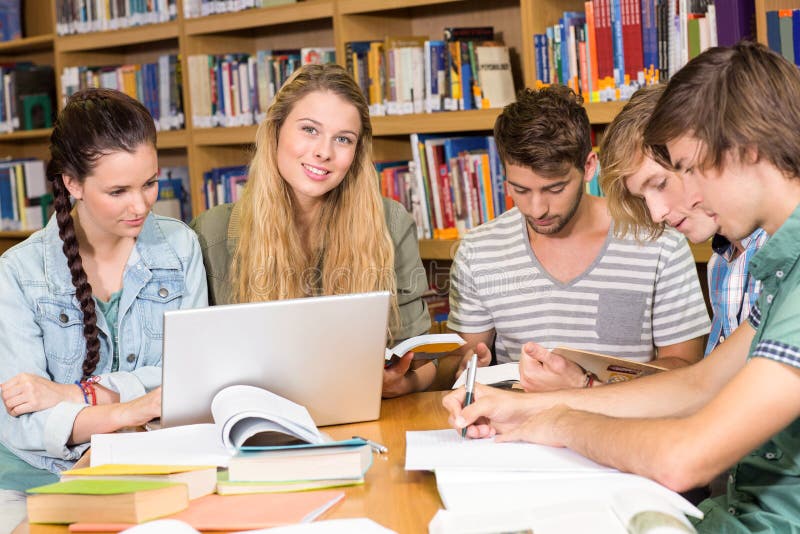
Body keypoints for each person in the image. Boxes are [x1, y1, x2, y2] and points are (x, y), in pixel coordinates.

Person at [444, 41, 800, 532]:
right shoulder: (783, 271)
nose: (681, 200)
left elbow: (683, 458)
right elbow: (699, 384)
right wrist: (521, 407)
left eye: (689, 170)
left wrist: (560, 423)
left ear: (746, 150)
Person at [0, 88, 208, 531]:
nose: (140, 206)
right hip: (34, 480)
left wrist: (74, 394)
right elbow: (23, 421)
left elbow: (188, 380)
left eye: (150, 183)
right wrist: (124, 411)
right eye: (118, 191)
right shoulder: (17, 273)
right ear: (72, 183)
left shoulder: (180, 248)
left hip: (147, 466)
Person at [444, 84, 709, 390]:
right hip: (516, 428)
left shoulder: (659, 241)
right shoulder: (479, 251)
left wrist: (583, 386)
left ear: (588, 167)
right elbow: (465, 362)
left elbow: (684, 369)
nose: (537, 208)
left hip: (623, 426)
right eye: (520, 189)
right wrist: (464, 364)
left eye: (554, 189)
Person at [190, 64, 432, 398]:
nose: (324, 152)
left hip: (363, 416)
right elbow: (194, 366)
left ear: (357, 152)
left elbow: (423, 362)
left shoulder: (390, 223)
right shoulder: (210, 232)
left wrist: (398, 384)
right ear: (276, 130)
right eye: (309, 129)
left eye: (343, 139)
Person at [599, 83, 767, 356]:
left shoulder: (779, 254)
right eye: (643, 198)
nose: (656, 214)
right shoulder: (720, 265)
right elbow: (714, 383)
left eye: (661, 184)